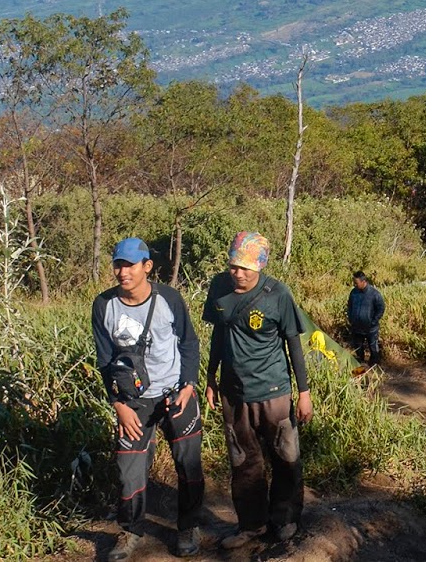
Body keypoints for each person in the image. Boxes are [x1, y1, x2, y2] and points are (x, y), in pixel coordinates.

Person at [92, 237, 206, 561]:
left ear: (147, 267)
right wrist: (118, 405)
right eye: (118, 264)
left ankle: (188, 526)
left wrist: (189, 385)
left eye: (129, 265)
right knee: (128, 470)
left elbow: (189, 343)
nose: (122, 271)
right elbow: (105, 361)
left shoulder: (169, 298)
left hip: (175, 395)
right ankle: (130, 531)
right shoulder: (104, 305)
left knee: (189, 464)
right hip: (133, 403)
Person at [203, 232, 312, 549]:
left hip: (274, 392)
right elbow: (218, 338)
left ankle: (285, 520)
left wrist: (303, 392)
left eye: (245, 269)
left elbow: (293, 345)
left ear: (260, 266)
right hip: (234, 395)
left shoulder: (277, 294)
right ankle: (251, 525)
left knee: (285, 458)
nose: (238, 273)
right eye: (234, 266)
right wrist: (211, 377)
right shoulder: (219, 288)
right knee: (244, 463)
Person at [346, 270, 385, 366]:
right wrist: (351, 318)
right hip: (357, 327)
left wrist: (374, 321)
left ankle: (375, 370)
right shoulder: (353, 293)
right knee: (358, 350)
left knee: (373, 349)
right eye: (354, 283)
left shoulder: (374, 294)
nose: (354, 285)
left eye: (356, 283)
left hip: (370, 328)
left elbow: (381, 308)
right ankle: (361, 370)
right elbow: (349, 306)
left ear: (364, 282)